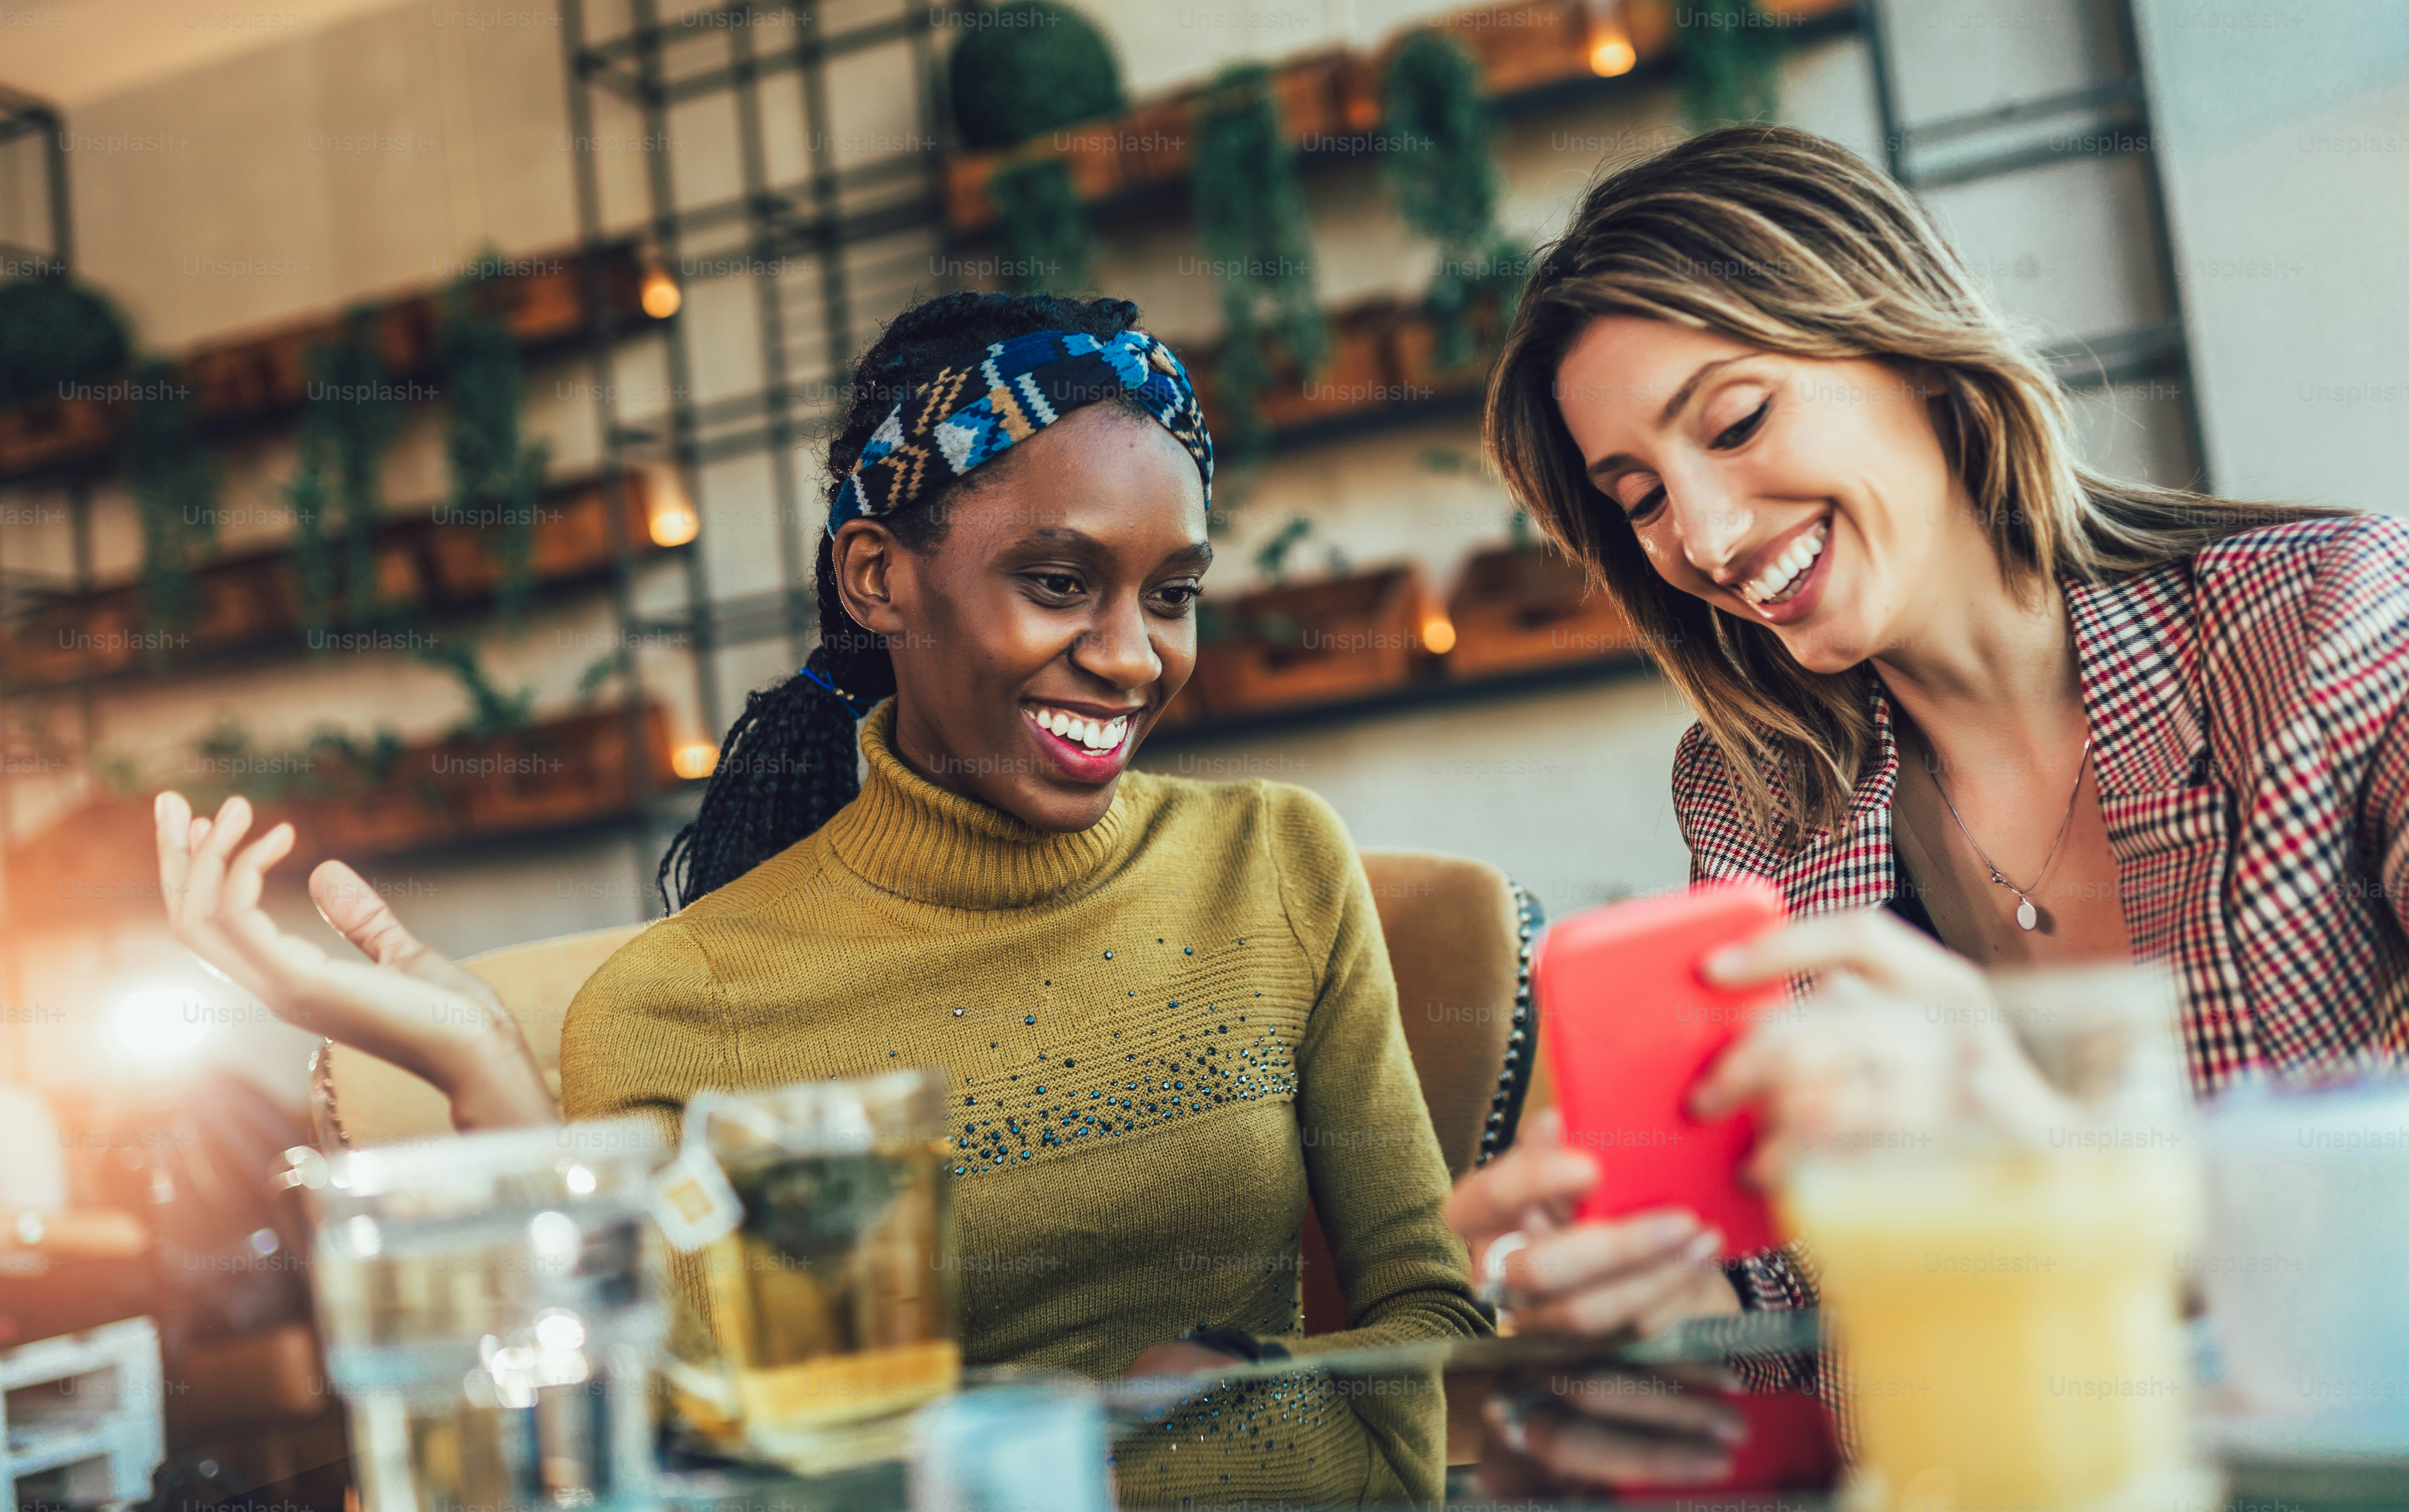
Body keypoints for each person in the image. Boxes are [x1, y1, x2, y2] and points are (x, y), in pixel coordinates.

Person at [154, 291, 1492, 1507]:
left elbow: (1438, 1323)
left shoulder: (1275, 863)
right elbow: (682, 1463)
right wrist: (485, 1066)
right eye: (1060, 583)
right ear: (878, 579)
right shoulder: (686, 1004)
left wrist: (1194, 1416)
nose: (1134, 657)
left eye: (1175, 594)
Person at [1442, 124, 2409, 1488]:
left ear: (1918, 360)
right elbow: (1798, 1325)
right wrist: (1622, 1319)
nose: (1701, 537)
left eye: (1737, 420)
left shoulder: (2325, 625)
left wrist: (2074, 1174)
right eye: (1636, 498)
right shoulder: (1757, 805)